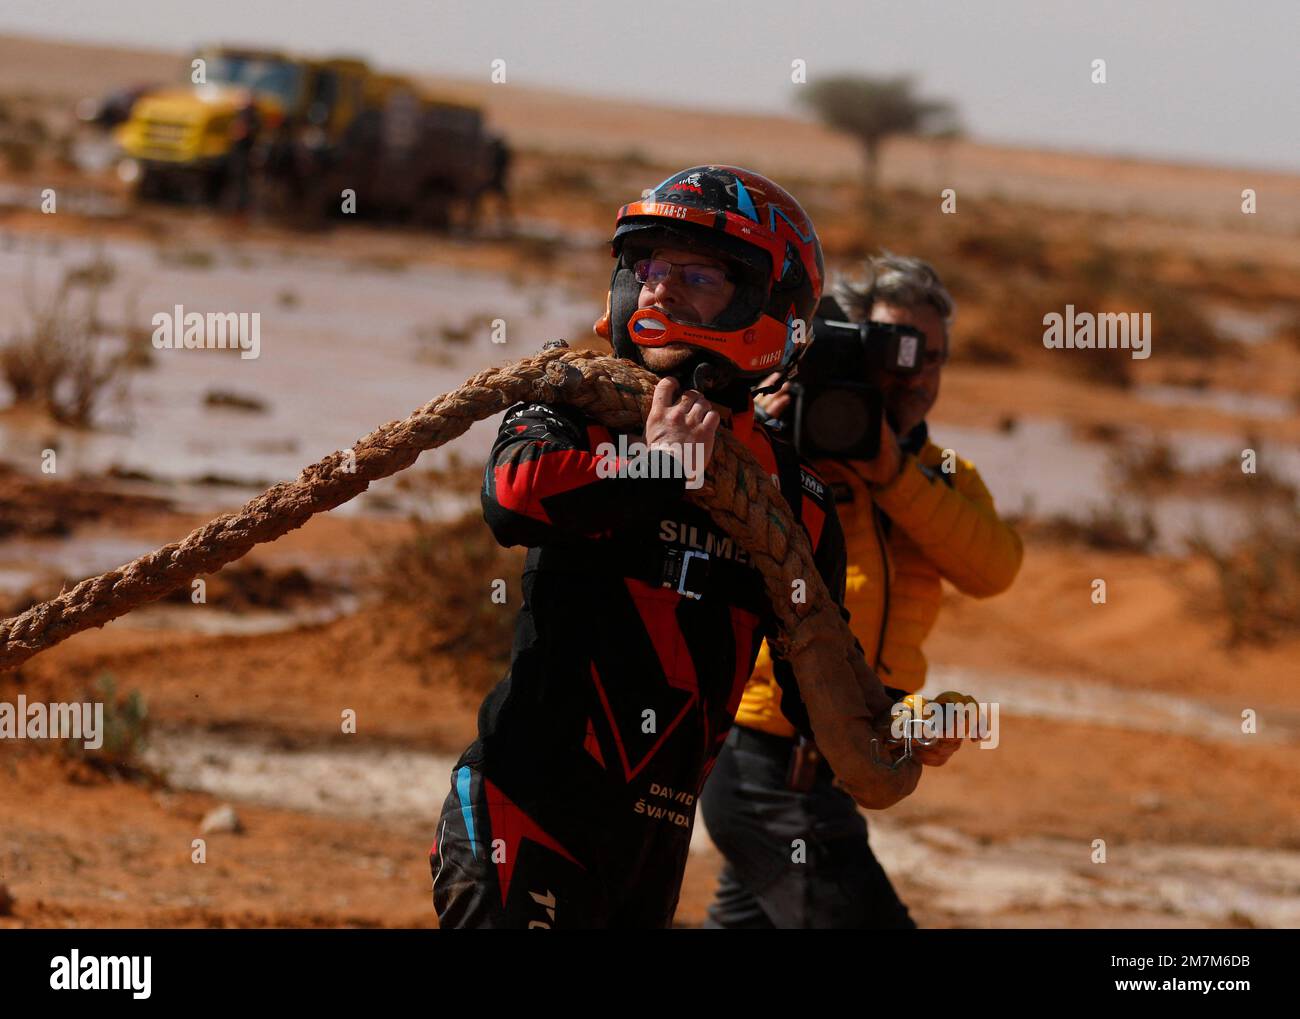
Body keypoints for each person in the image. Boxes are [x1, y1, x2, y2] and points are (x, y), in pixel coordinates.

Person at [428, 166, 915, 928]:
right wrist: (660, 469)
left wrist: (905, 725)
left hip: (650, 855)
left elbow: (815, 686)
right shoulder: (574, 401)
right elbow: (514, 497)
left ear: (772, 306)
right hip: (520, 809)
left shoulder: (795, 501)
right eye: (649, 267)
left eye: (698, 276)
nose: (660, 290)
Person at [700, 253, 1024, 928]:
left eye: (933, 357)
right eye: (894, 349)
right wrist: (757, 429)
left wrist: (892, 473)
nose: (915, 373)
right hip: (769, 761)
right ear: (843, 344)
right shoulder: (784, 452)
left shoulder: (943, 475)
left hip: (845, 764)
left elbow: (994, 569)